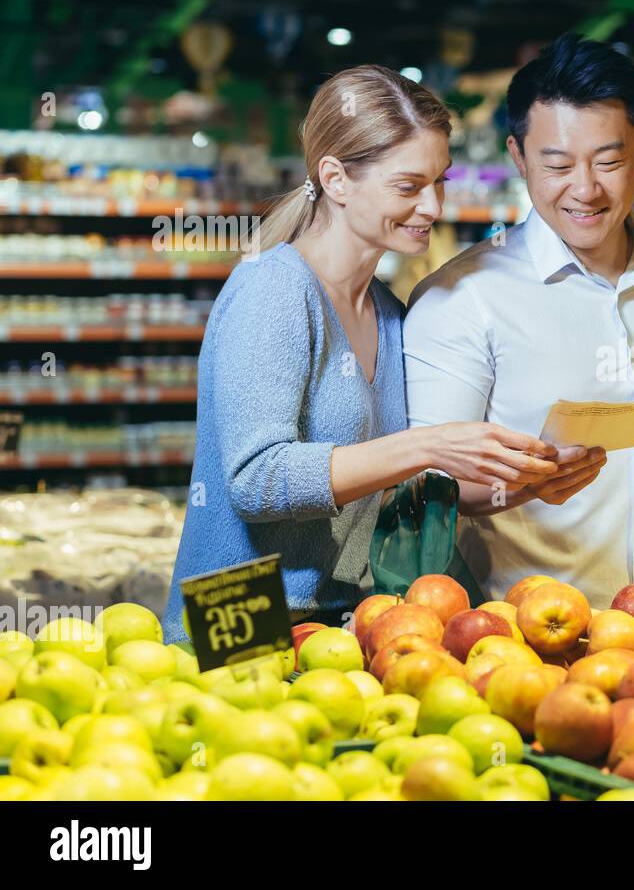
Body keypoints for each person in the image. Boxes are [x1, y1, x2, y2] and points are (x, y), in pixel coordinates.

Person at [162, 66, 557, 642]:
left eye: (439, 182)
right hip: (241, 624)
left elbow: (394, 484)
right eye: (408, 186)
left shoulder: (390, 314)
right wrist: (428, 443)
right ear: (336, 179)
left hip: (342, 626)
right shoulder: (273, 290)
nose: (432, 207)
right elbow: (256, 479)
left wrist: (525, 479)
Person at [404, 35, 634, 609]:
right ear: (519, 158)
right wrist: (527, 481)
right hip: (528, 641)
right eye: (556, 164)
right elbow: (429, 484)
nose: (585, 189)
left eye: (609, 161)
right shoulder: (461, 298)